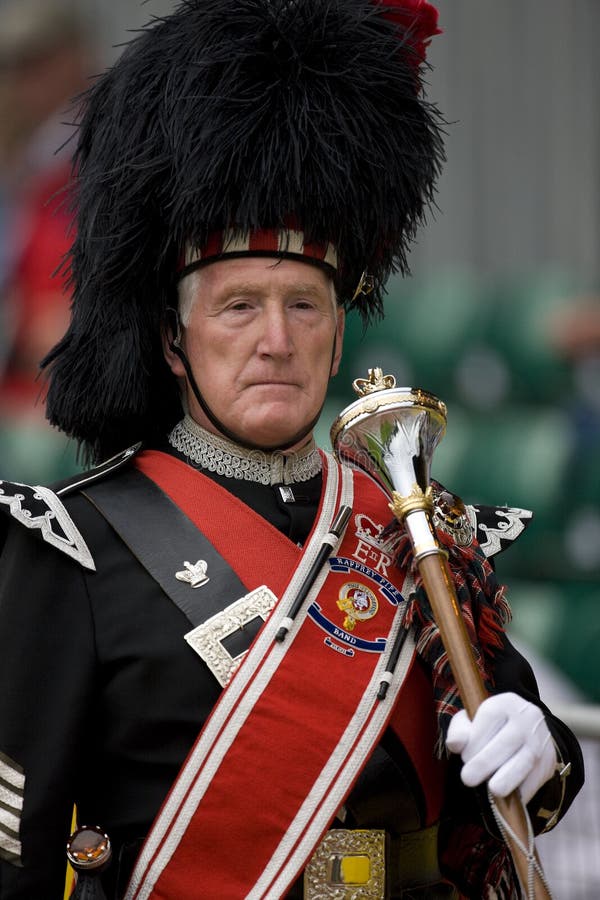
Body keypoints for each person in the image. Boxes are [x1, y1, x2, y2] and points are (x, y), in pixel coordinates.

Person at [0, 1, 583, 898]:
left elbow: (522, 781)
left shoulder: (422, 528)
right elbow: (22, 851)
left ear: (339, 336)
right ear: (173, 340)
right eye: (239, 307)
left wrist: (543, 746)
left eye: (304, 305)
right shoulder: (79, 547)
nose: (276, 340)